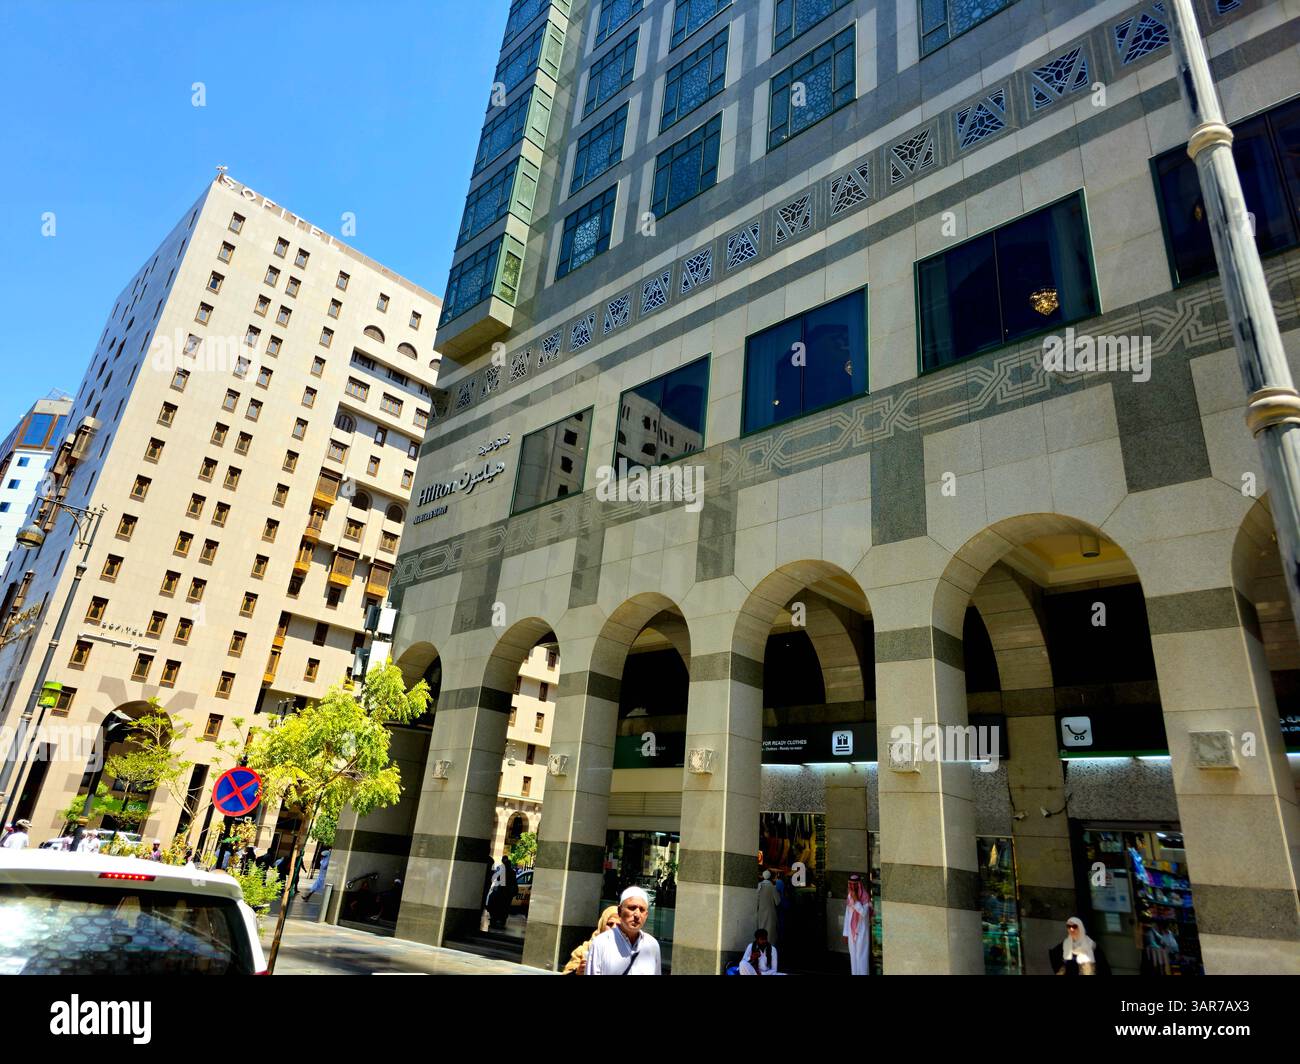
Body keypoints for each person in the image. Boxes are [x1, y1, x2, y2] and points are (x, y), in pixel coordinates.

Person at [586, 887, 661, 975]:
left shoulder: (652, 945)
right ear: (619, 911)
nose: (637, 914)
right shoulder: (601, 943)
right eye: (632, 908)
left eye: (642, 910)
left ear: (646, 915)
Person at [563, 906, 620, 975]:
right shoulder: (585, 950)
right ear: (602, 925)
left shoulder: (629, 951)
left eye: (619, 925)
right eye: (610, 924)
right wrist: (577, 971)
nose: (614, 928)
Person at [843, 873, 872, 975]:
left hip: (862, 931)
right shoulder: (850, 896)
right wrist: (845, 933)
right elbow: (847, 916)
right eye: (851, 884)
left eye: (855, 885)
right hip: (851, 932)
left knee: (862, 956)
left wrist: (856, 901)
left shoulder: (865, 896)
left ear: (859, 884)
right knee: (853, 957)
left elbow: (863, 913)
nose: (853, 887)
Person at [756, 869, 779, 946]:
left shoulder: (759, 886)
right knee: (770, 932)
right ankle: (769, 949)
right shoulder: (772, 887)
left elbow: (756, 901)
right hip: (770, 913)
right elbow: (778, 902)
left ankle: (760, 946)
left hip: (761, 912)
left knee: (761, 929)